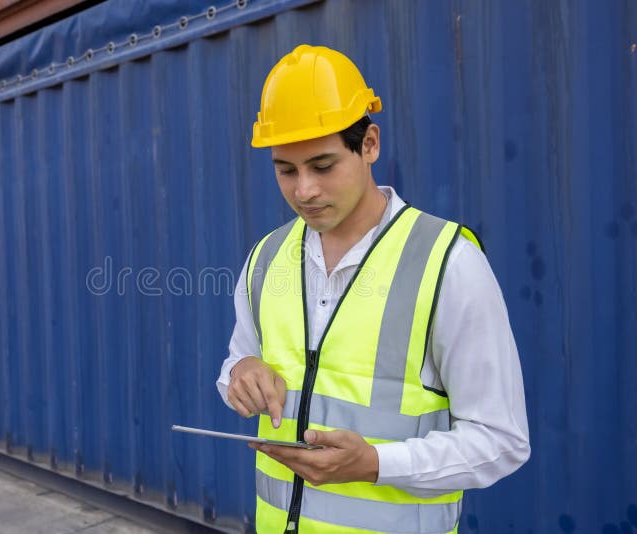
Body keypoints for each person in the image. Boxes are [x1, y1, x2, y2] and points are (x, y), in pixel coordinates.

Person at [216, 45, 530, 534]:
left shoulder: (448, 263)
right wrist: (241, 373)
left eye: (322, 166)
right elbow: (239, 360)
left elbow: (501, 440)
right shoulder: (266, 258)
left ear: (369, 144)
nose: (304, 190)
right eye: (286, 170)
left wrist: (376, 464)